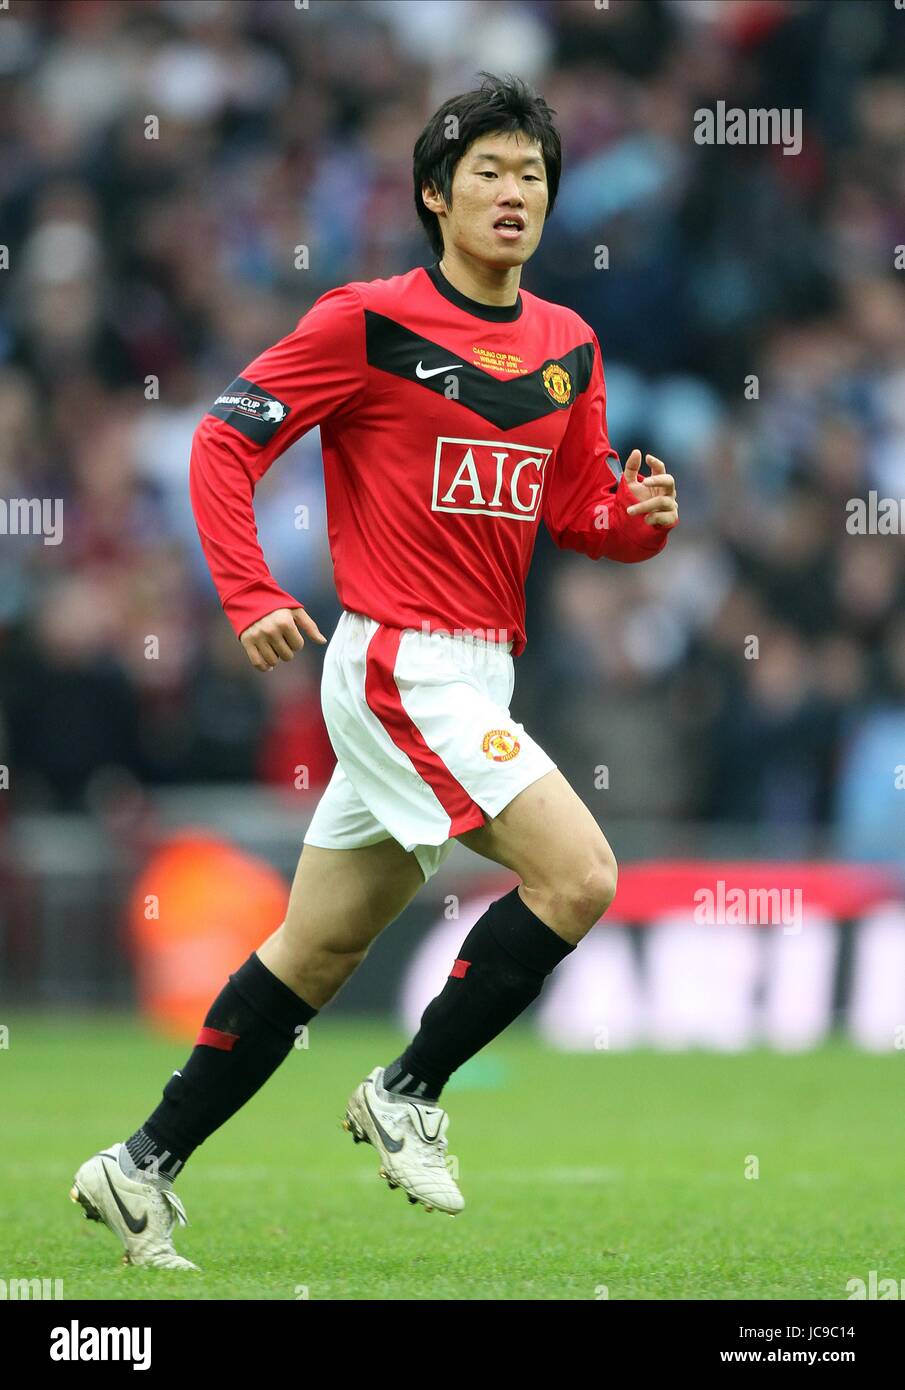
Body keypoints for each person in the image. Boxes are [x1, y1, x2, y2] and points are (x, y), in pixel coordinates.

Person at [70, 73, 678, 1269]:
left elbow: (577, 507)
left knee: (316, 950)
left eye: (534, 174)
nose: (515, 193)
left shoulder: (567, 346)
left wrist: (639, 519)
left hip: (475, 674)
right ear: (433, 194)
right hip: (402, 663)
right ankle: (407, 1089)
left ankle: (137, 1168)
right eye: (491, 171)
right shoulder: (366, 321)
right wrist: (248, 592)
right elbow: (222, 438)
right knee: (581, 875)